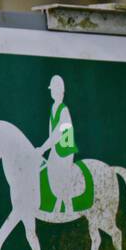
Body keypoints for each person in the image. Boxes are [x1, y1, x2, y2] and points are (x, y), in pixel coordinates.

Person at [35, 74, 85, 213]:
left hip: (65, 148)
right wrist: (45, 148)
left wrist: (43, 149)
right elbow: (51, 132)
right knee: (49, 170)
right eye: (52, 90)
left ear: (61, 91)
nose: (54, 93)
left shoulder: (63, 110)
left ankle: (68, 206)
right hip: (56, 147)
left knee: (60, 173)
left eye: (56, 90)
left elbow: (58, 134)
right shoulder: (53, 108)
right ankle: (57, 203)